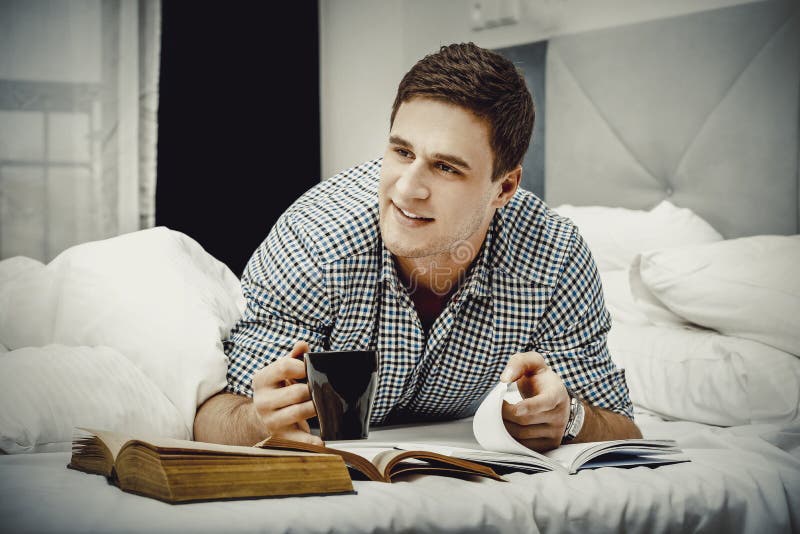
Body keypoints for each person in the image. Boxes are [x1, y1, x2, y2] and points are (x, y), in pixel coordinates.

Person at [194, 42, 641, 451]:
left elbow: (623, 426)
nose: (407, 191)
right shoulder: (317, 240)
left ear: (504, 187)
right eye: (402, 152)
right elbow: (213, 418)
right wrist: (258, 418)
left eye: (446, 167)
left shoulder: (554, 256)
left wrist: (569, 417)